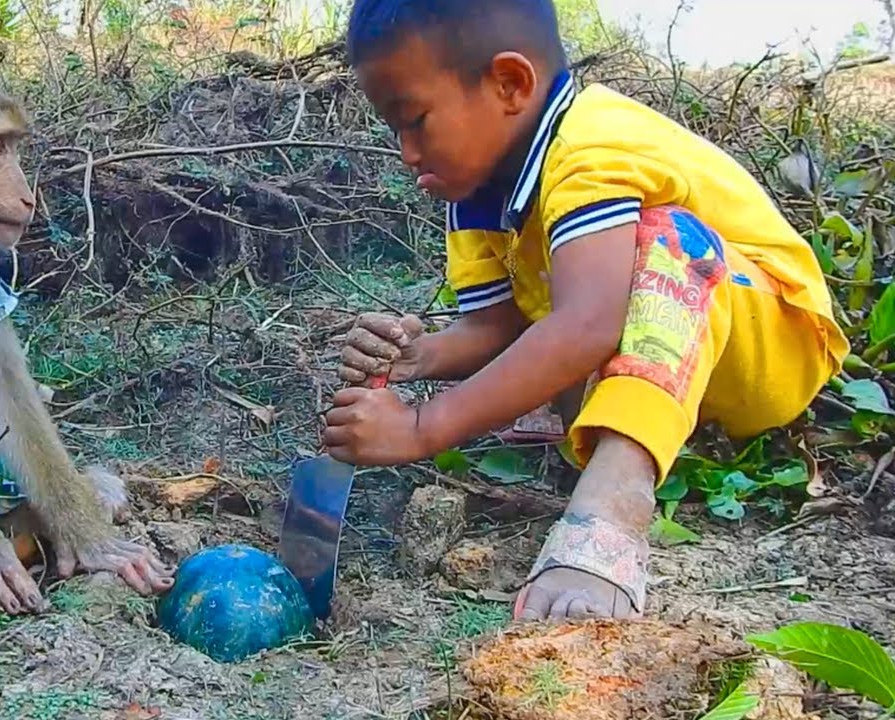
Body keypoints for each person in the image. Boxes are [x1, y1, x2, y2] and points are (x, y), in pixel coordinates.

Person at [324, 0, 848, 622]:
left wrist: (421, 428)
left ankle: (614, 498)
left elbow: (588, 324)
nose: (408, 152)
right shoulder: (476, 191)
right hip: (674, 373)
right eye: (396, 131)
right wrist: (422, 357)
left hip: (771, 345)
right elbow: (497, 328)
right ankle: (640, 431)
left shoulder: (590, 146)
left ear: (510, 84)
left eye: (416, 121)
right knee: (567, 313)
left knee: (671, 239)